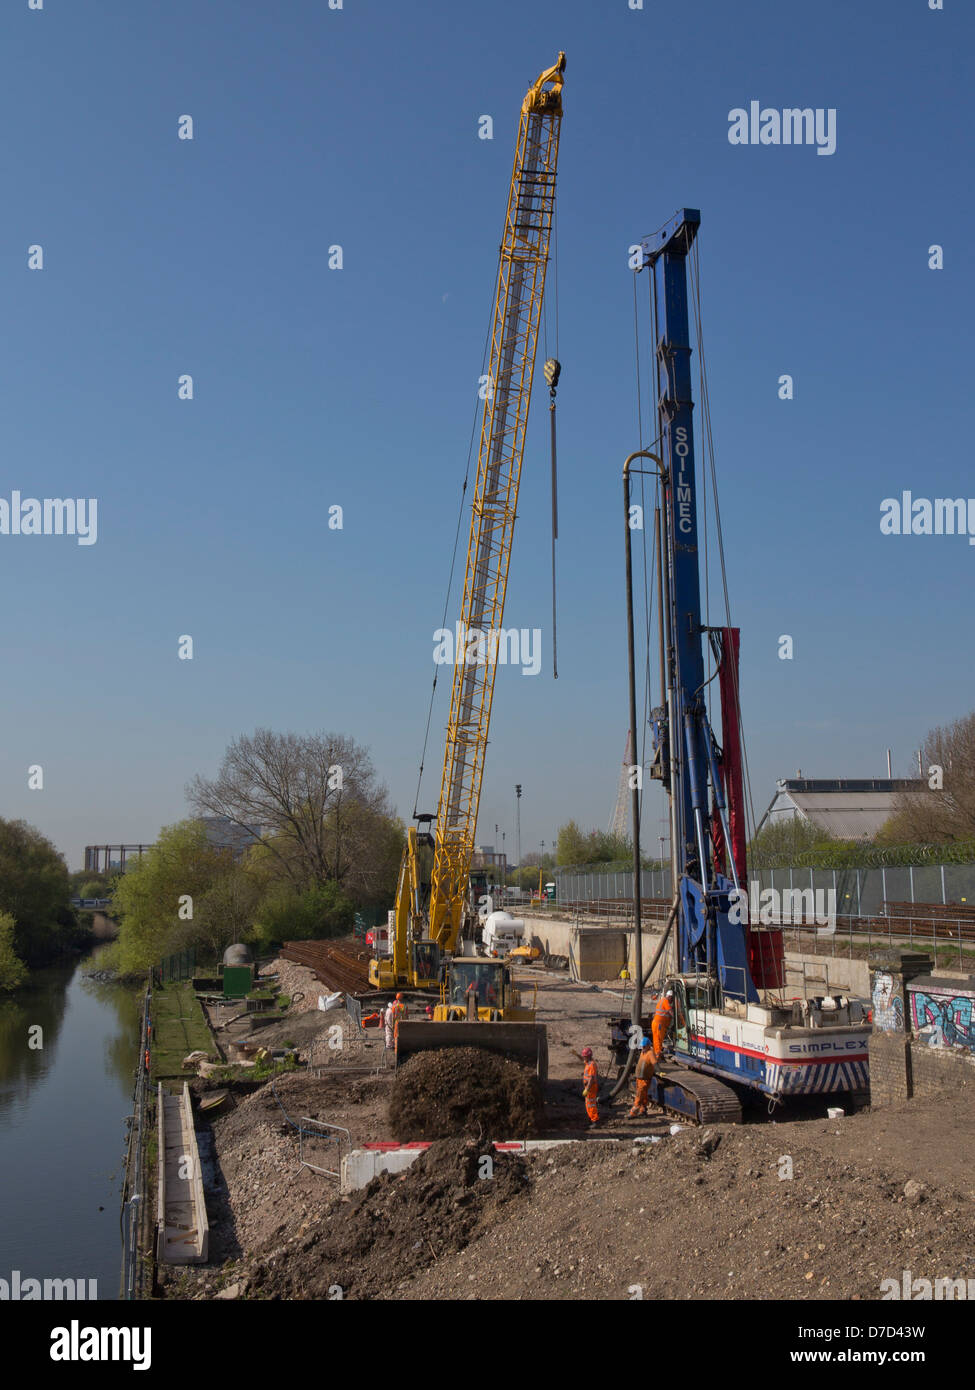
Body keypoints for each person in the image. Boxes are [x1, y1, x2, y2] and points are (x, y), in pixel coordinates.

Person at [629, 1036, 656, 1117]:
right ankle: (643, 1110)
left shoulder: (650, 1053)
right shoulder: (643, 1052)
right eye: (642, 1046)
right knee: (643, 1095)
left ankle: (633, 1113)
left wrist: (660, 1071)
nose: (642, 1048)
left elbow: (655, 1063)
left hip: (645, 1079)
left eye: (644, 1046)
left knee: (639, 1095)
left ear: (648, 1045)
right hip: (639, 1078)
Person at [652, 989, 674, 1058]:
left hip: (656, 1023)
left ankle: (656, 1054)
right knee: (659, 1039)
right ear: (669, 997)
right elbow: (670, 1012)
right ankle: (658, 1055)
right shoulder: (665, 1001)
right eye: (672, 998)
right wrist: (676, 1018)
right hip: (659, 1024)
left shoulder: (662, 1000)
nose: (672, 1001)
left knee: (656, 1039)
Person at [581, 1046, 600, 1125]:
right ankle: (591, 1117)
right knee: (588, 1104)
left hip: (591, 1087)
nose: (584, 1058)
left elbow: (592, 1078)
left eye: (584, 1056)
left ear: (588, 1056)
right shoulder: (588, 1063)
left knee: (591, 1104)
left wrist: (587, 1089)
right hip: (589, 1087)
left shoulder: (591, 1065)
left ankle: (595, 1120)